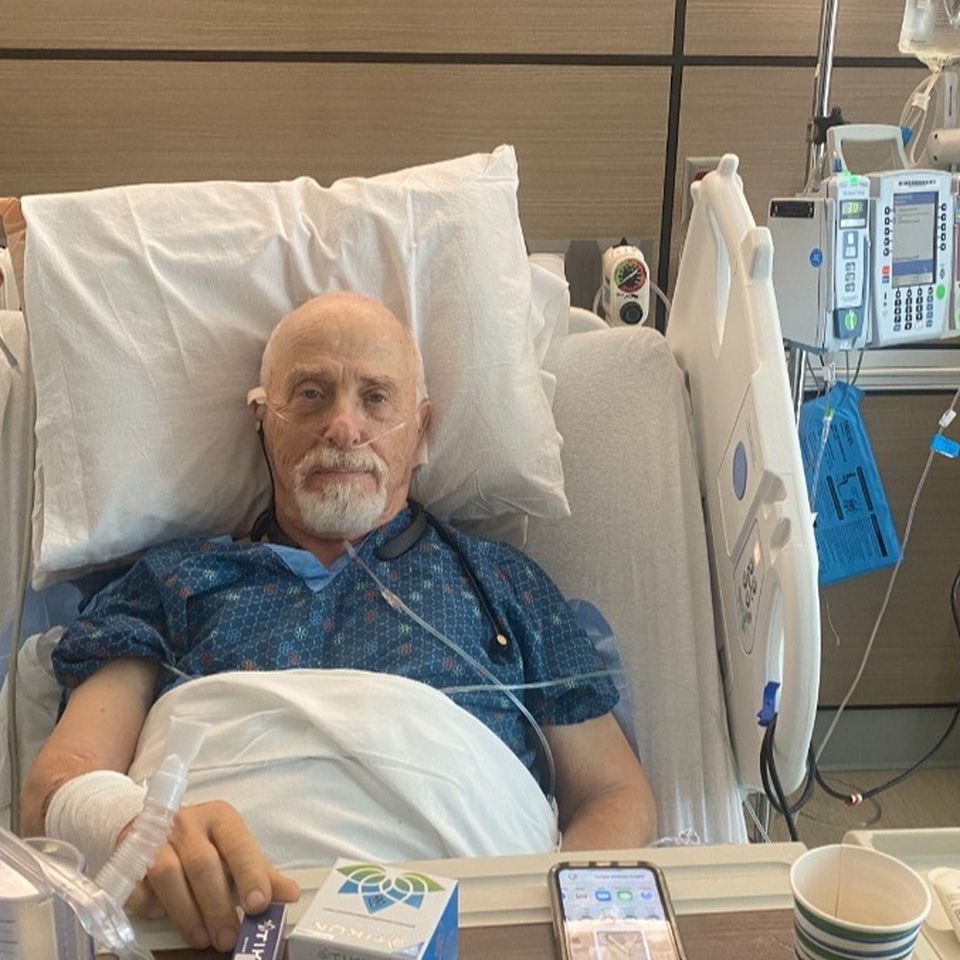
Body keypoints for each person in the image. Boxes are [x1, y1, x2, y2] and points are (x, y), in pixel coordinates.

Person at [22, 292, 657, 953]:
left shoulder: (503, 583)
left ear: (421, 429)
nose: (344, 428)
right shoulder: (170, 580)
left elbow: (614, 792)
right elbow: (56, 784)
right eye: (311, 395)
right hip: (212, 923)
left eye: (376, 398)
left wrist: (555, 927)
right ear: (264, 422)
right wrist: (131, 827)